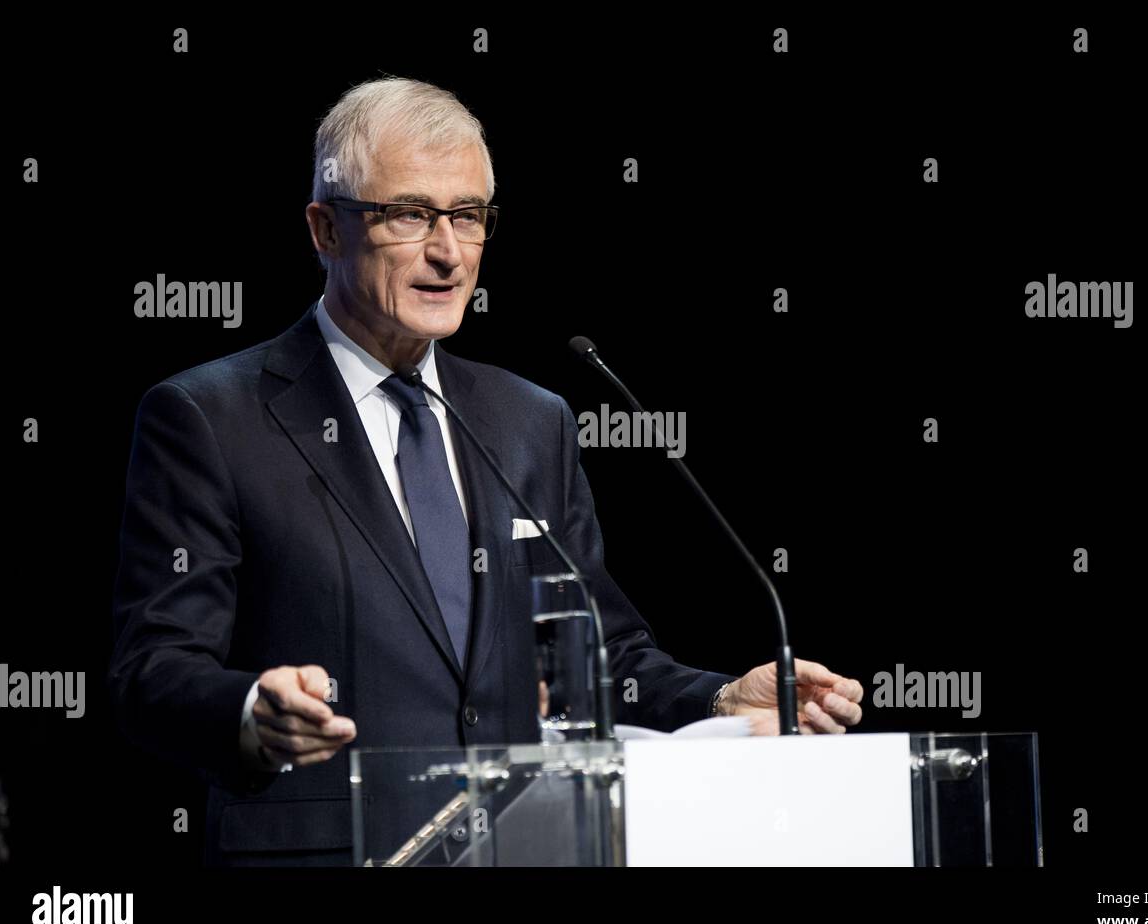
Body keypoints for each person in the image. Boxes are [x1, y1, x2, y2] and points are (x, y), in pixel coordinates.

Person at [109, 78, 864, 866]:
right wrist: (252, 712)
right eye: (410, 214)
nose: (447, 252)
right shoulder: (209, 417)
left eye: (468, 217)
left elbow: (597, 653)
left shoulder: (530, 420)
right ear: (326, 228)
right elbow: (150, 671)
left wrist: (717, 700)